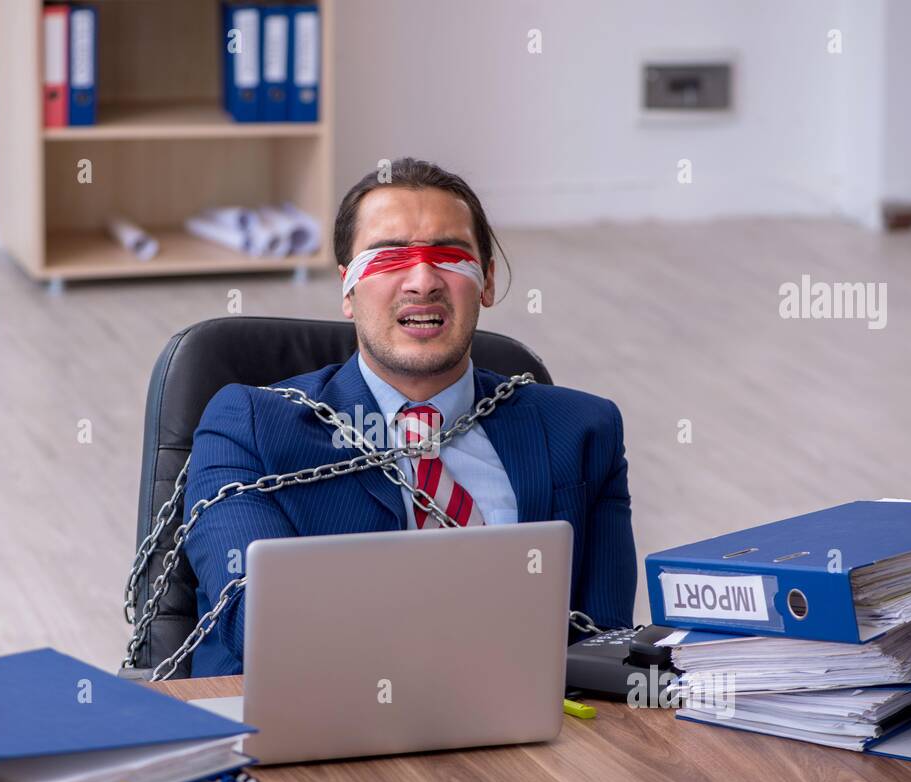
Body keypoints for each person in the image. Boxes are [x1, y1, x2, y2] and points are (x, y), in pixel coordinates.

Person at [182, 157, 636, 676]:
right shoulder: (247, 425)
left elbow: (603, 653)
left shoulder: (584, 430)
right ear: (347, 290)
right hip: (315, 734)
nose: (422, 281)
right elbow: (258, 626)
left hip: (517, 737)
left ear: (486, 282)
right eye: (387, 257)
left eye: (449, 255)